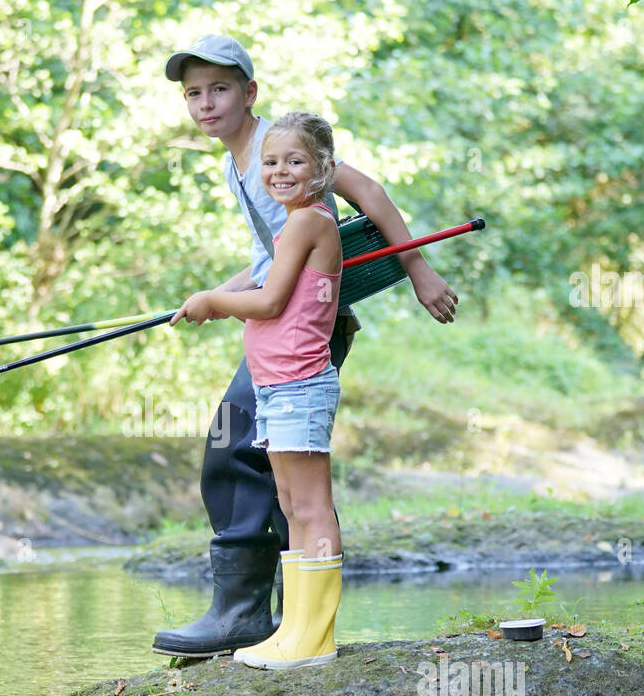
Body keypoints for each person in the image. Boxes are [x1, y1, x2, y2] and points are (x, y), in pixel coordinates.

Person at [151, 34, 459, 660]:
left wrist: (418, 271)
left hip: (305, 331)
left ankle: (256, 618)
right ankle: (277, 619)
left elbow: (367, 195)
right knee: (249, 455)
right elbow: (271, 261)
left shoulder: (283, 147)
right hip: (277, 326)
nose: (206, 104)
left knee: (236, 447)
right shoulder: (240, 163)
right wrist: (211, 293)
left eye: (220, 89)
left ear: (249, 93)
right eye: (194, 94)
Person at [171, 111, 346, 669]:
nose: (280, 171)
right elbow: (267, 287)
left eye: (296, 161)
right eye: (271, 162)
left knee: (311, 505)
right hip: (278, 385)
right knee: (291, 504)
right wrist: (213, 297)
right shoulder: (291, 223)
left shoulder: (307, 222)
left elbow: (269, 301)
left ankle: (313, 637)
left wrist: (214, 301)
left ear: (323, 170)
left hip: (300, 383)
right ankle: (293, 628)